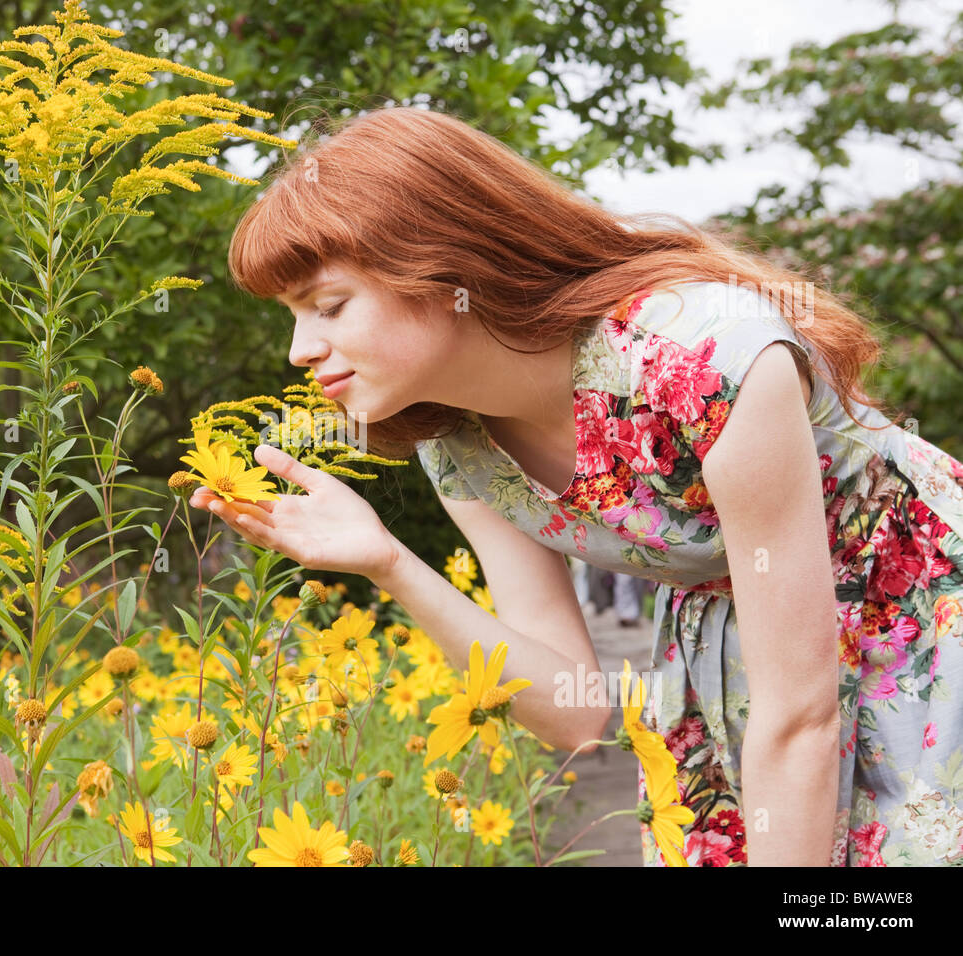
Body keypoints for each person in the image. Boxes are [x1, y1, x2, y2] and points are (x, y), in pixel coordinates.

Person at [189, 106, 963, 867]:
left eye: (328, 306)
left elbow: (799, 715)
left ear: (441, 266)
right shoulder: (458, 448)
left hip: (918, 618)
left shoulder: (703, 359)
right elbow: (578, 714)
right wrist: (388, 562)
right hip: (735, 674)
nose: (299, 349)